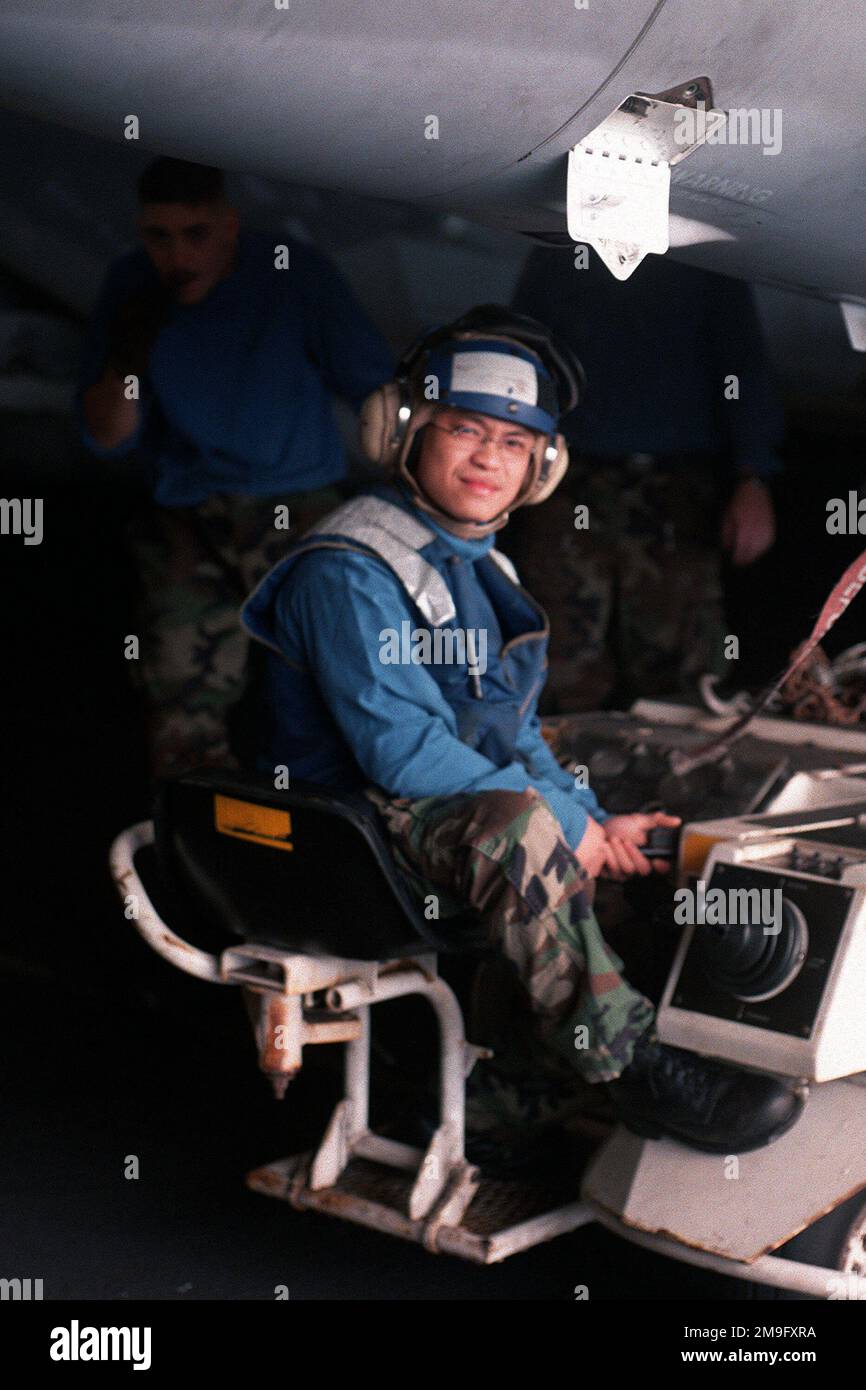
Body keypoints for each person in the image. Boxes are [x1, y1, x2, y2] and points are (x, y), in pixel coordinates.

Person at [240, 304, 804, 1154]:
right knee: (518, 830)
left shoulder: (483, 567)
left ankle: (510, 1092)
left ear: (541, 466)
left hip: (420, 815)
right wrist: (556, 822)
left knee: (635, 824)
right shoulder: (347, 569)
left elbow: (514, 735)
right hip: (344, 824)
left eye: (513, 443)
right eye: (465, 430)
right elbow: (402, 754)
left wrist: (595, 820)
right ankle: (633, 1064)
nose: (488, 461)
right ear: (403, 431)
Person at [76, 157, 393, 778]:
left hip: (298, 509)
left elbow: (377, 394)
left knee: (332, 690)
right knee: (180, 707)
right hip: (187, 516)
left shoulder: (292, 271)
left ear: (229, 225)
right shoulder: (132, 284)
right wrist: (128, 354)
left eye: (196, 234)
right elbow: (106, 436)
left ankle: (324, 838)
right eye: (158, 236)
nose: (177, 255)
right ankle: (201, 852)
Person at [509, 249, 784, 713]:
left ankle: (681, 776)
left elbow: (741, 363)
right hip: (570, 477)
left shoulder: (703, 253)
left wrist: (754, 477)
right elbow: (523, 355)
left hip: (672, 486)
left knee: (683, 672)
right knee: (559, 658)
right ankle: (561, 776)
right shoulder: (562, 246)